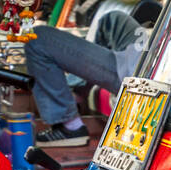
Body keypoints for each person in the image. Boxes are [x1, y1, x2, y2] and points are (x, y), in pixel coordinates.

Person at [24, 10, 145, 147]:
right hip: (142, 54)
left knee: (37, 39)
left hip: (137, 74)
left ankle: (71, 127)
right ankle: (77, 92)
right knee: (111, 18)